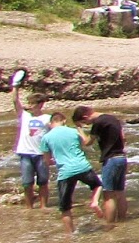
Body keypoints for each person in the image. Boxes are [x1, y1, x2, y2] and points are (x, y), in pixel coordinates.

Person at [38, 109, 101, 234]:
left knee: (65, 208)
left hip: (65, 173)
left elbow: (47, 160)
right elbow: (84, 143)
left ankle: (69, 235)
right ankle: (94, 201)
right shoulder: (73, 132)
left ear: (51, 123)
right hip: (83, 167)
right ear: (64, 121)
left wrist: (53, 161)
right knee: (98, 185)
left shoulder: (46, 138)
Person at [74, 106, 127, 225]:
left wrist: (79, 130)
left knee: (108, 194)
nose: (87, 124)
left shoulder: (98, 122)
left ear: (85, 116)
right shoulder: (113, 118)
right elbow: (123, 137)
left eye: (84, 122)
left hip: (111, 159)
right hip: (121, 158)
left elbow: (87, 142)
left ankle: (109, 224)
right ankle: (123, 222)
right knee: (120, 192)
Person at [12, 76, 50, 210]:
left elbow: (54, 135)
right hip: (25, 153)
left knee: (43, 182)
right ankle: (29, 208)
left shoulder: (47, 118)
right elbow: (15, 100)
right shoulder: (24, 115)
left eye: (32, 103)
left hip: (41, 154)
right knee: (27, 183)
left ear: (40, 104)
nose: (29, 106)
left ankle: (43, 207)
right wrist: (15, 86)